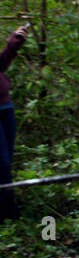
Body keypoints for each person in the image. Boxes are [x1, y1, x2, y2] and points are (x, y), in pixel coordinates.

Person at [0, 22, 30, 220]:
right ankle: (5, 212)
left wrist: (13, 44)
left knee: (6, 160)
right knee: (1, 161)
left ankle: (8, 208)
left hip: (5, 107)